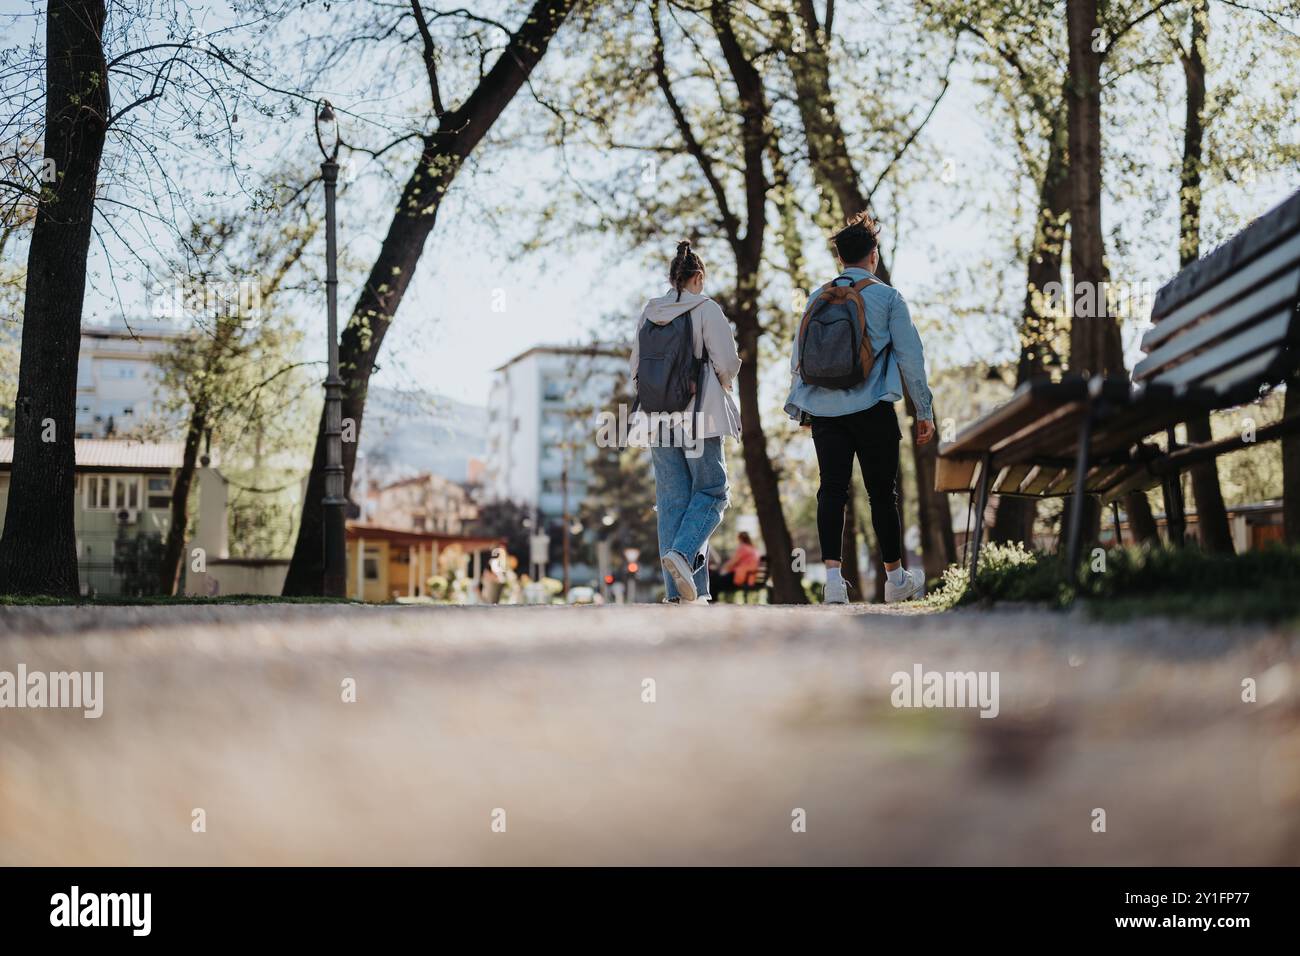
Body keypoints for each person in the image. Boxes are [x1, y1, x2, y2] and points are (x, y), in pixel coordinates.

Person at [785, 212, 934, 605]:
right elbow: (911, 358)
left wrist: (801, 409)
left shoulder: (817, 298)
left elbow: (798, 359)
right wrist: (924, 410)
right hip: (871, 408)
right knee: (882, 493)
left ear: (839, 259)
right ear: (874, 254)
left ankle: (833, 582)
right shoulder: (887, 297)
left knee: (831, 490)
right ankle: (895, 579)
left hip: (824, 411)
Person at [630, 240, 742, 604]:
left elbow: (636, 369)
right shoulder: (706, 308)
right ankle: (682, 555)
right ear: (698, 277)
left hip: (656, 416)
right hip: (699, 416)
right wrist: (721, 384)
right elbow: (726, 361)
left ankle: (684, 593)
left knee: (673, 500)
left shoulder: (649, 311)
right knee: (712, 491)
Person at [711, 531, 761, 598]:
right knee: (716, 578)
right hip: (750, 577)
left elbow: (732, 563)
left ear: (740, 538)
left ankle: (711, 601)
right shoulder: (753, 549)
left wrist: (722, 569)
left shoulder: (743, 548)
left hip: (741, 577)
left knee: (714, 579)